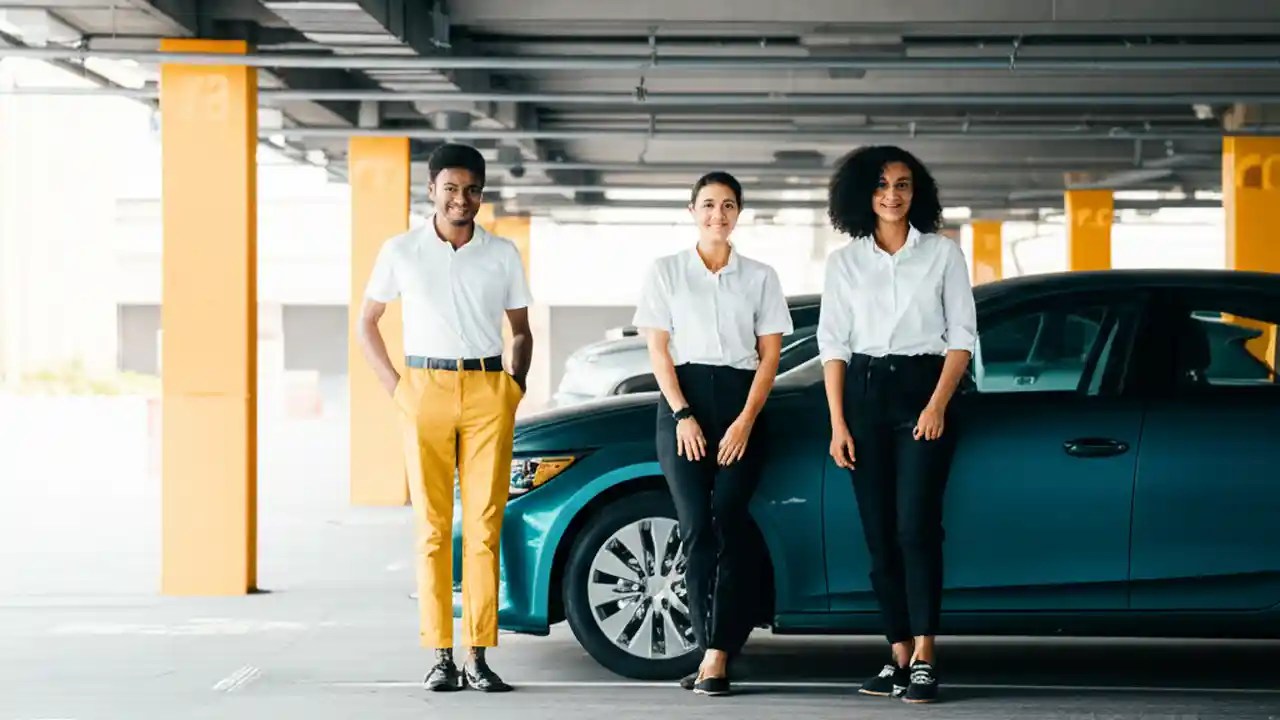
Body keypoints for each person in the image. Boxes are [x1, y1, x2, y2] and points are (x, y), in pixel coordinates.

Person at [357, 143, 533, 693]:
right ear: (431, 189)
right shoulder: (401, 251)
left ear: (482, 194)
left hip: (488, 391)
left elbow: (521, 330)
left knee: (484, 528)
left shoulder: (502, 254)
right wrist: (397, 390)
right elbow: (367, 323)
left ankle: (477, 656)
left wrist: (514, 388)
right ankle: (440, 655)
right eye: (451, 188)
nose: (461, 199)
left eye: (472, 190)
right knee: (432, 529)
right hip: (423, 388)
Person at [816, 146, 976, 704]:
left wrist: (936, 405)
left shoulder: (943, 254)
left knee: (916, 528)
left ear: (917, 192)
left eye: (903, 184)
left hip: (923, 392)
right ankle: (899, 654)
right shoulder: (844, 263)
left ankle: (927, 655)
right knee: (879, 534)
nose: (892, 194)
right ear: (863, 193)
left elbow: (962, 336)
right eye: (882, 185)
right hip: (863, 395)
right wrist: (838, 422)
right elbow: (833, 343)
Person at [632, 171, 794, 697]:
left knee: (730, 520)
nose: (717, 214)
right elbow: (659, 351)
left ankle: (720, 653)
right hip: (683, 405)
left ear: (738, 213)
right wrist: (683, 414)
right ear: (692, 211)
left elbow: (769, 356)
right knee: (696, 526)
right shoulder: (666, 272)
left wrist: (745, 420)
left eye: (727, 205)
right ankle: (707, 649)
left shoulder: (761, 276)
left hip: (742, 404)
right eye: (707, 204)